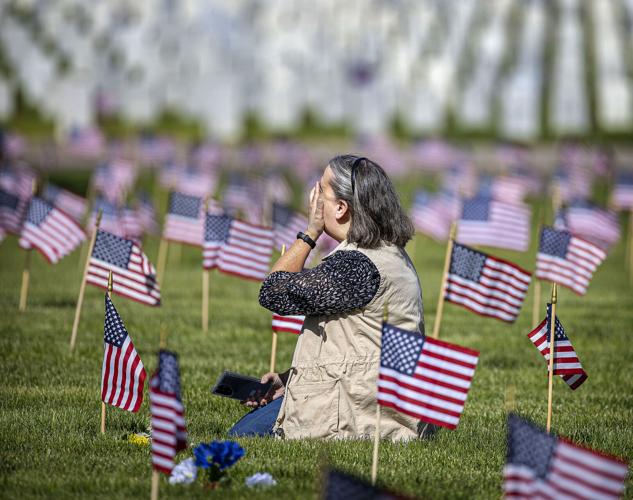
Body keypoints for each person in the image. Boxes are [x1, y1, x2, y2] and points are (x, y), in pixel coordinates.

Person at [228, 155, 425, 440]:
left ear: (341, 207)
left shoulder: (357, 265)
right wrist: (288, 379)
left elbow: (273, 290)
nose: (314, 198)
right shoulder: (388, 255)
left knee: (237, 440)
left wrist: (310, 232)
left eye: (321, 190)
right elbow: (358, 343)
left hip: (353, 411)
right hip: (374, 399)